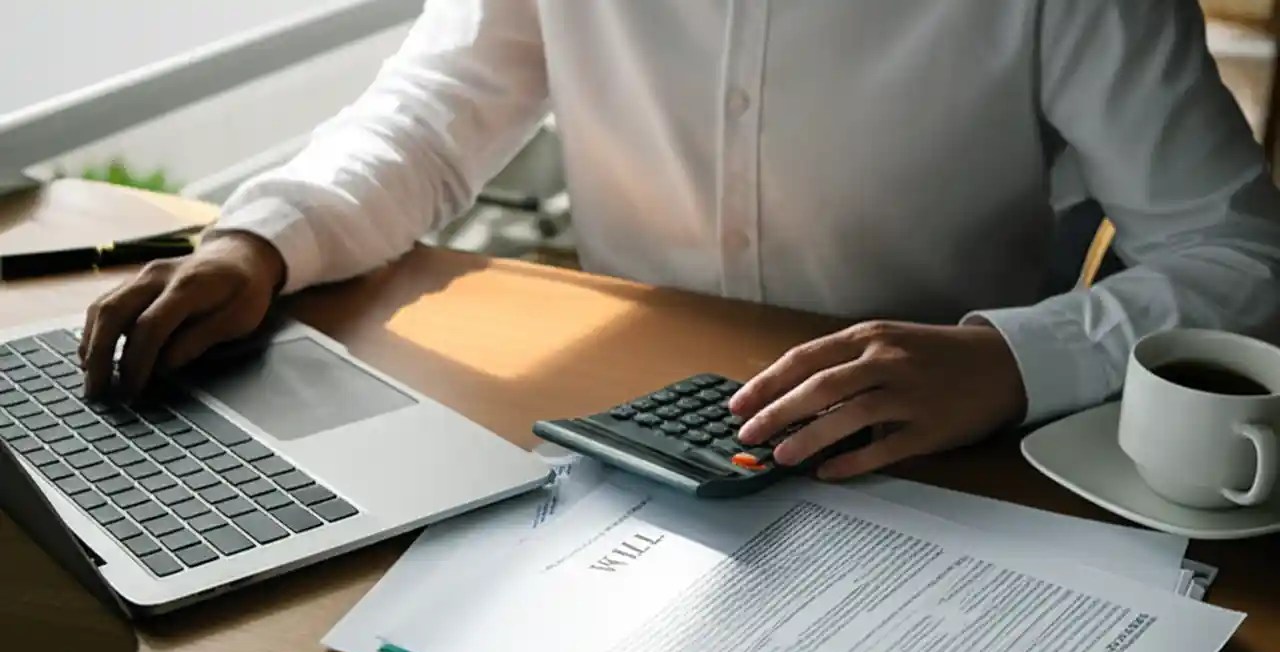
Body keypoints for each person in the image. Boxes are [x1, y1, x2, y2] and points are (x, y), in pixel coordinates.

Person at [80, 1, 1280, 479]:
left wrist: (1016, 359)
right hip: (612, 445)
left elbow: (1238, 254)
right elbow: (428, 116)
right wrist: (260, 245)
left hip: (943, 470)